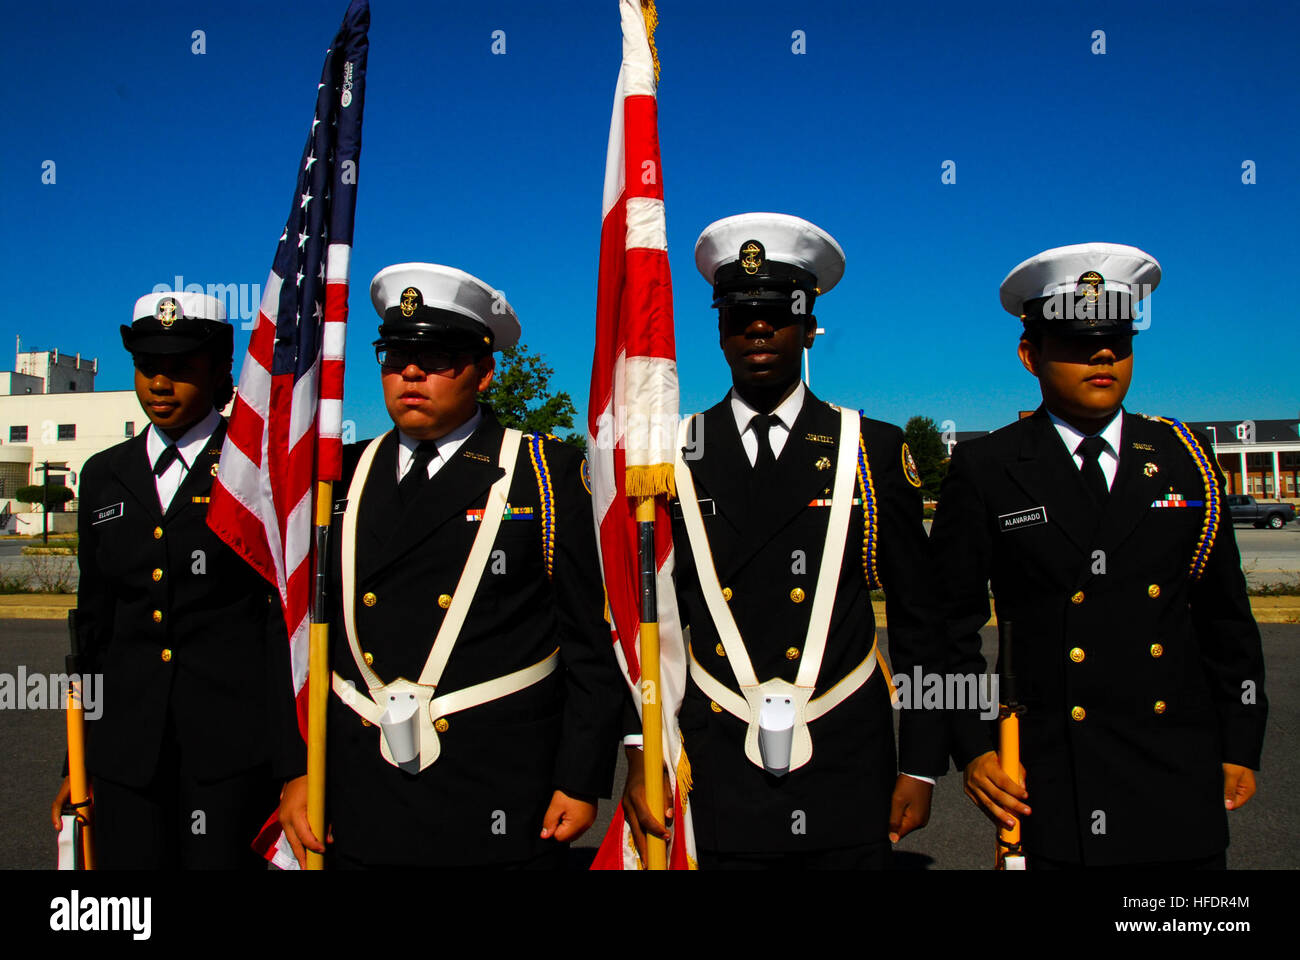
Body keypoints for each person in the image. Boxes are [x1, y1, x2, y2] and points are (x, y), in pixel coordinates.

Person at [622, 214, 948, 869]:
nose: (759, 328)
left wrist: (921, 762)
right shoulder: (671, 451)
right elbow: (645, 620)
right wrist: (639, 748)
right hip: (716, 759)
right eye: (741, 315)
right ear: (718, 330)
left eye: (777, 312)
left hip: (843, 759)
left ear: (809, 324)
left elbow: (922, 621)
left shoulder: (871, 450)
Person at [930, 242, 1268, 868]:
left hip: (1176, 768)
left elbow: (1226, 620)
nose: (1103, 354)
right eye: (1077, 342)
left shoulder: (1184, 457)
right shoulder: (988, 469)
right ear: (1030, 354)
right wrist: (975, 746)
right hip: (1051, 777)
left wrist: (1240, 742)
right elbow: (950, 627)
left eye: (1116, 338)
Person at [277, 262, 624, 869]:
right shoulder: (337, 476)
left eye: (439, 358)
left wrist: (580, 776)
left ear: (485, 373)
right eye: (395, 355)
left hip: (495, 788)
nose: (411, 372)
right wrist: (296, 767)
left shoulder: (546, 475)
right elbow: (296, 639)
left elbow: (588, 645)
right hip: (361, 785)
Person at [51, 291, 295, 869]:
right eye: (146, 367)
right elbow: (95, 627)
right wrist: (76, 760)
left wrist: (293, 767)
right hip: (125, 756)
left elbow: (281, 630)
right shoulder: (106, 475)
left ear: (219, 372)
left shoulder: (256, 468)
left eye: (180, 368)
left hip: (230, 754)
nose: (160, 384)